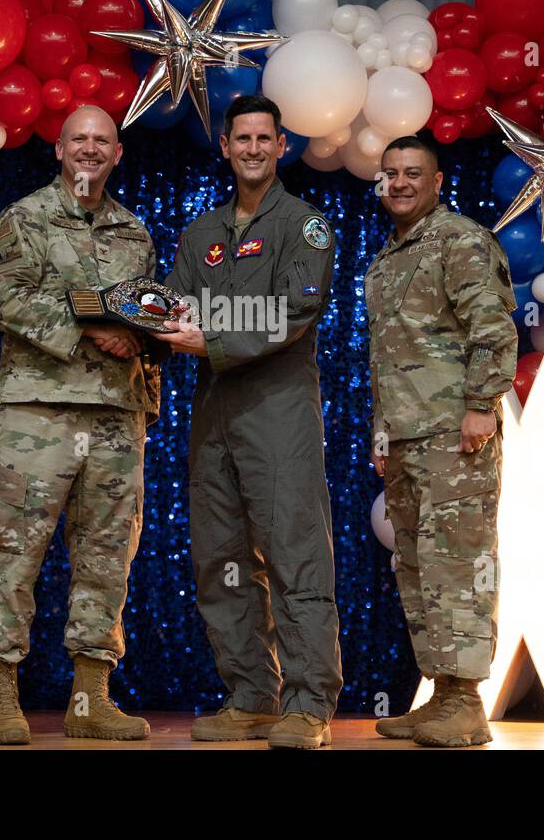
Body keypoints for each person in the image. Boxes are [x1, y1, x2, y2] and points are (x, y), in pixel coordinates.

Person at [156, 94, 342, 750]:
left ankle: (309, 701)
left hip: (278, 411)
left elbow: (297, 309)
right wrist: (137, 322)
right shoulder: (201, 232)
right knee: (223, 561)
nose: (254, 148)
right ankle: (252, 694)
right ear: (227, 147)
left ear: (281, 146)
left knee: (295, 555)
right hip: (213, 417)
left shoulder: (305, 224)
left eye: (265, 138)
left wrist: (211, 337)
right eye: (243, 138)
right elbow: (176, 309)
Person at [0, 105, 160, 745]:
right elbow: (4, 297)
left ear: (117, 154)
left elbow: (146, 315)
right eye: (78, 138)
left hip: (116, 413)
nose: (90, 148)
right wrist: (89, 324)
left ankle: (90, 699)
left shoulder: (134, 233)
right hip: (37, 409)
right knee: (15, 550)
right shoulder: (23, 219)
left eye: (102, 140)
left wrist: (142, 344)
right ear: (59, 150)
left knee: (109, 555)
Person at [364, 134, 518, 748]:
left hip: (456, 437)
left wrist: (482, 406)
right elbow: (387, 357)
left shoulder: (460, 240)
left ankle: (467, 703)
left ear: (437, 181)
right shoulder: (387, 259)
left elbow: (493, 328)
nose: (400, 183)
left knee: (457, 562)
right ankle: (442, 694)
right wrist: (382, 433)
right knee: (419, 567)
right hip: (404, 438)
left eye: (413, 173)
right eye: (391, 173)